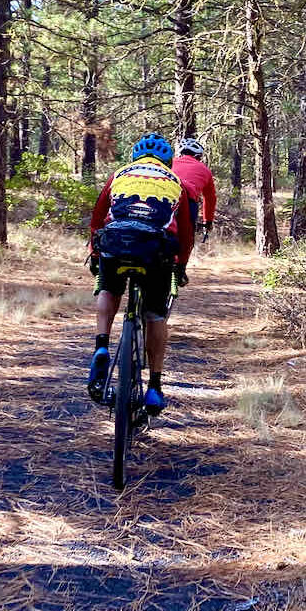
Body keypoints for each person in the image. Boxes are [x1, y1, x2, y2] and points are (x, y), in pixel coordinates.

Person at [86, 132, 194, 412]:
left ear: (135, 157)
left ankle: (101, 345)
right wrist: (180, 265)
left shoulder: (119, 174)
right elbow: (185, 234)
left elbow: (97, 218)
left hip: (115, 243)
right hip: (155, 251)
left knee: (109, 288)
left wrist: (95, 254)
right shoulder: (176, 182)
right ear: (168, 161)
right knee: (155, 314)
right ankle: (155, 386)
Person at [172, 137, 217, 241]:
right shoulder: (205, 170)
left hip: (165, 198)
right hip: (188, 201)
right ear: (198, 156)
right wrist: (208, 221)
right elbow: (210, 199)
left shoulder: (170, 163)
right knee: (186, 239)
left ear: (180, 153)